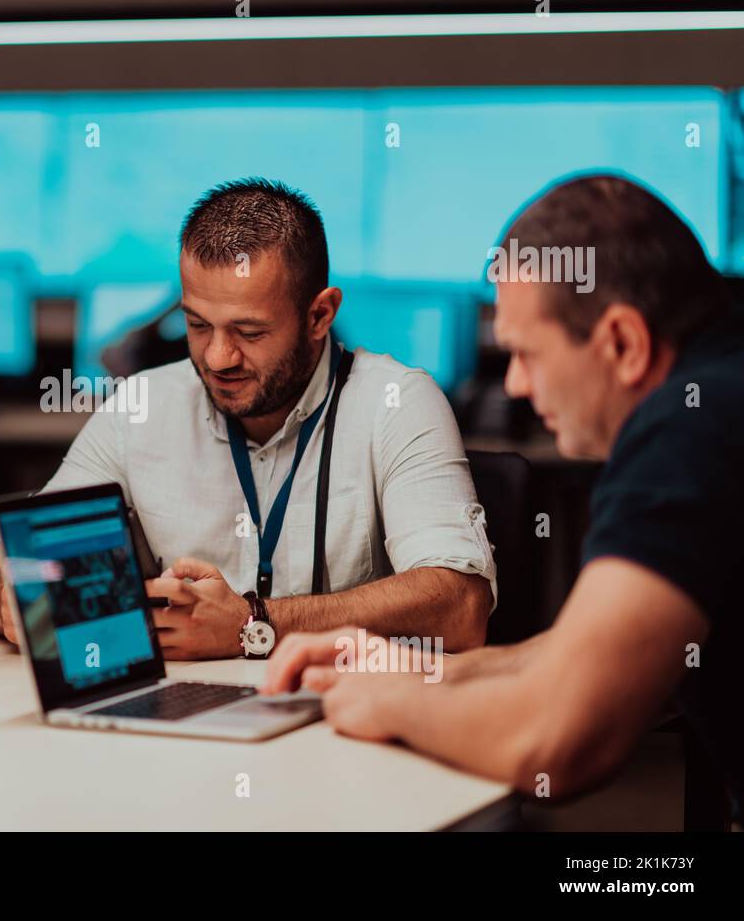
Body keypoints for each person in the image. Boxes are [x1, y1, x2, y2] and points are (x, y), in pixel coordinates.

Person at [265, 173, 741, 807]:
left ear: (622, 342)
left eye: (526, 353)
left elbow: (557, 740)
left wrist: (391, 705)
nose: (514, 384)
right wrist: (419, 669)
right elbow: (581, 655)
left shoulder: (688, 434)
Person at [0, 178, 495, 659]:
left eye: (249, 332)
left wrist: (253, 622)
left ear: (319, 315)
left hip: (341, 723)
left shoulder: (395, 403)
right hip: (179, 726)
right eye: (198, 325)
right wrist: (11, 602)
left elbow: (458, 605)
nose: (218, 358)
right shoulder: (141, 405)